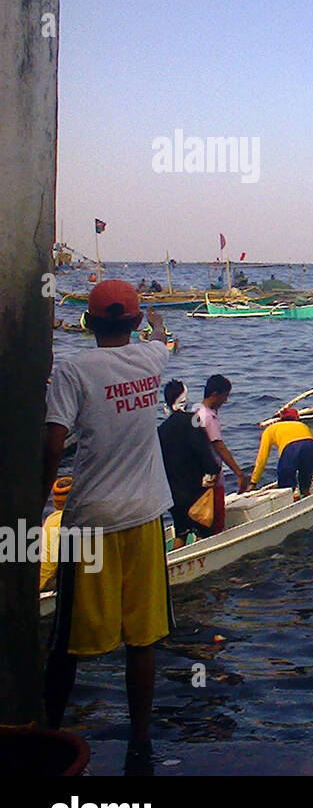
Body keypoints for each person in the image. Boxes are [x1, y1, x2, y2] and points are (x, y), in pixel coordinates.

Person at [41, 280, 174, 762]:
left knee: (67, 642)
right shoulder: (151, 361)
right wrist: (156, 320)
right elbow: (162, 336)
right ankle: (141, 741)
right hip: (143, 518)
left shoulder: (72, 371)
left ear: (89, 323)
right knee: (143, 639)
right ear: (134, 322)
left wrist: (36, 509)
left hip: (90, 521)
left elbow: (53, 446)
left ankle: (49, 734)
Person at [156, 380, 220, 541]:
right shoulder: (192, 420)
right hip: (195, 489)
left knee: (181, 532)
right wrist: (214, 469)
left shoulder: (162, 428)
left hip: (173, 492)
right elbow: (203, 451)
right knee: (202, 531)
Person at [194, 374, 250, 517]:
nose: (226, 400)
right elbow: (218, 445)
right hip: (212, 476)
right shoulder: (209, 417)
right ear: (215, 394)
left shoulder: (196, 412)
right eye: (225, 396)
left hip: (197, 473)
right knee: (215, 517)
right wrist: (239, 473)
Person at [249, 408, 313, 496]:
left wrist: (253, 482)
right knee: (305, 474)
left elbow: (262, 458)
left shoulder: (270, 429)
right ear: (297, 418)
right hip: (309, 443)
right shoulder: (302, 425)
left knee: (286, 483)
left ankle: (289, 498)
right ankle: (306, 492)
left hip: (290, 447)